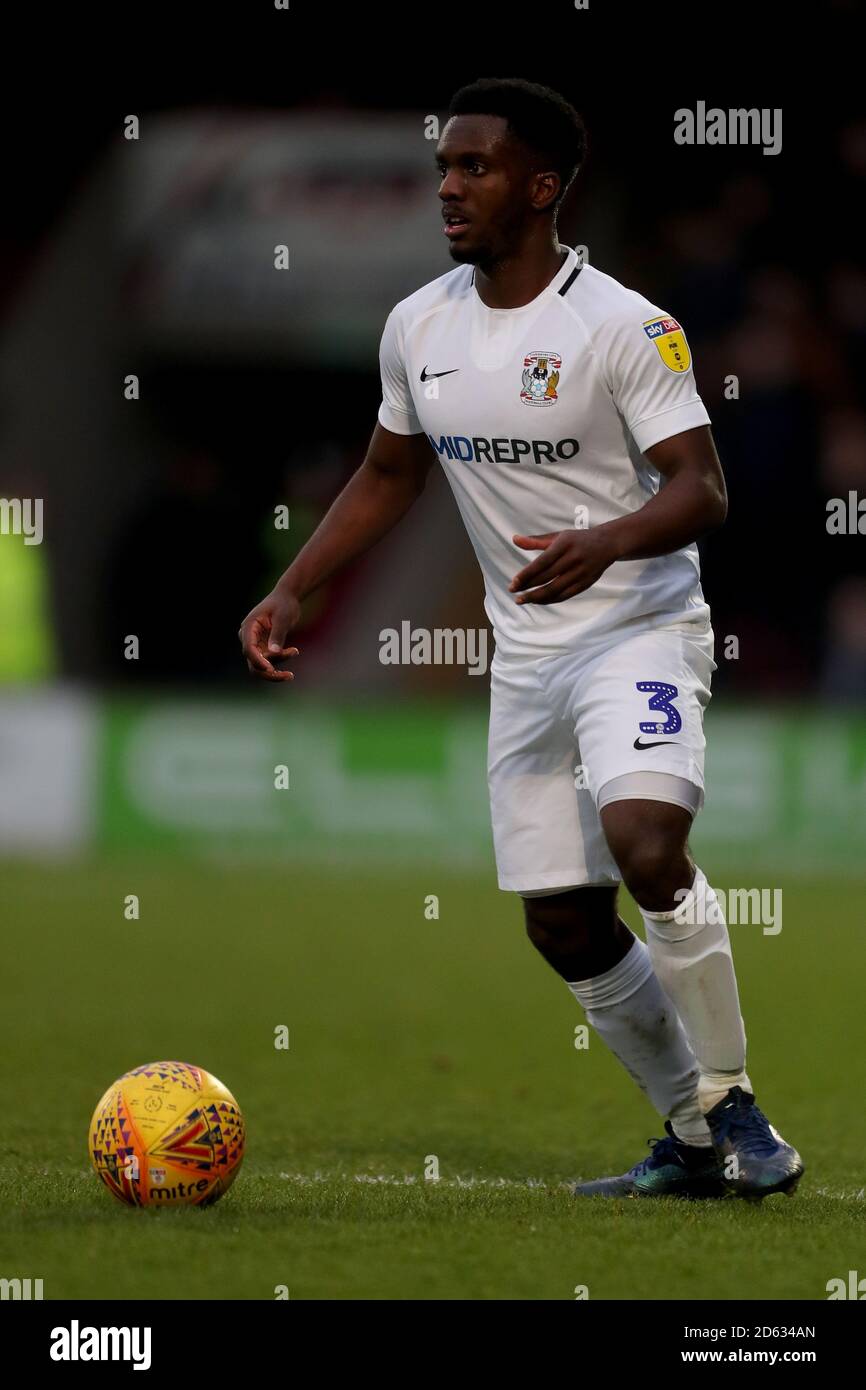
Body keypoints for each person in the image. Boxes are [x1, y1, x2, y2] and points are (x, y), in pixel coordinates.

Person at [239, 78, 803, 1200]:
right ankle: (687, 1141)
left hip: (636, 628)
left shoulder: (623, 326)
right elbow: (389, 472)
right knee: (561, 921)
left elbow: (701, 490)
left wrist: (605, 540)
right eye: (444, 165)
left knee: (646, 844)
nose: (449, 186)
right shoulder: (420, 325)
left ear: (541, 188)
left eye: (476, 167)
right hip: (528, 654)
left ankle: (733, 1105)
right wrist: (294, 588)